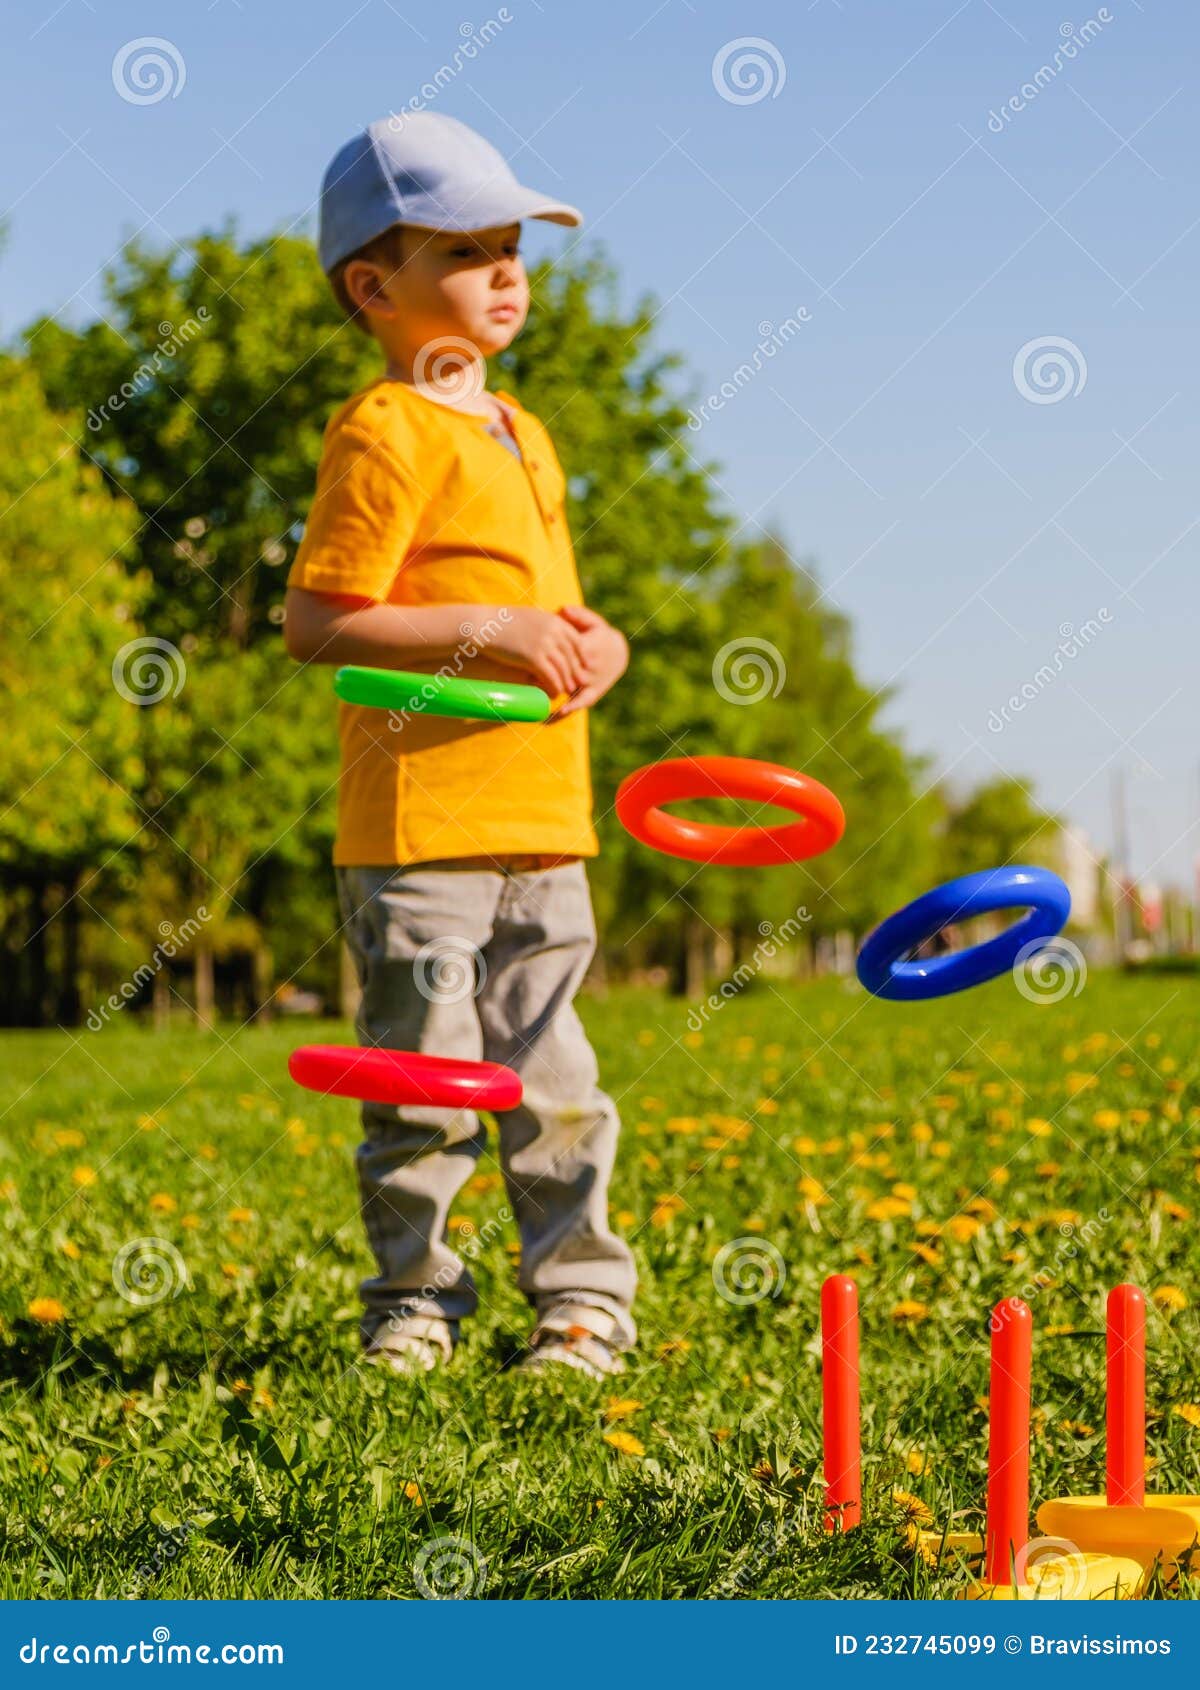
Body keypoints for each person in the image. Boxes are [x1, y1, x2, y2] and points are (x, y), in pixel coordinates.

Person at [283, 112, 636, 1378]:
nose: (508, 273)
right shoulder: (384, 431)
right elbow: (321, 621)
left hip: (546, 815)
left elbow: (557, 612)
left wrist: (597, 650)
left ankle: (581, 1303)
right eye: (471, 252)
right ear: (375, 287)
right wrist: (494, 634)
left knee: (557, 1079)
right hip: (421, 828)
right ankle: (415, 1302)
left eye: (513, 248)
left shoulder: (523, 434)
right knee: (422, 1082)